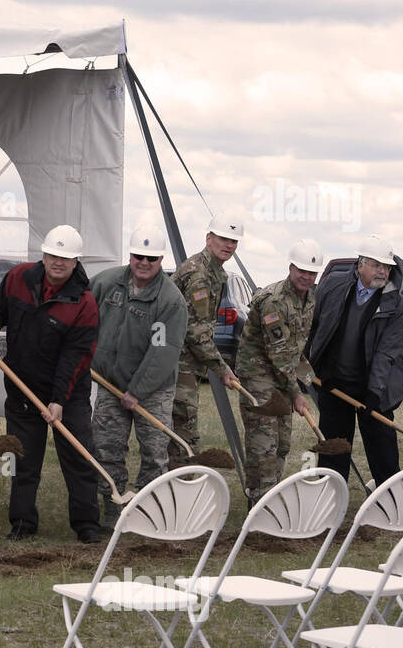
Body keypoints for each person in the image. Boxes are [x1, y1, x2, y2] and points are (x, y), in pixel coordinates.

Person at [0, 225, 101, 542]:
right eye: (53, 255)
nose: (58, 262)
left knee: (78, 457)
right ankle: (22, 522)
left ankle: (86, 524)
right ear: (44, 255)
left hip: (68, 394)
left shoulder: (83, 302)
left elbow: (76, 357)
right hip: (22, 388)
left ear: (76, 262)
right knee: (22, 458)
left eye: (66, 258)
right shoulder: (18, 277)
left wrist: (59, 399)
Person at [89, 226, 187, 527]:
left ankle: (147, 512)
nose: (144, 263)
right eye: (138, 256)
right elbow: (82, 316)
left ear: (160, 260)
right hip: (110, 384)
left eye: (151, 259)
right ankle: (113, 508)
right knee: (106, 447)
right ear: (130, 255)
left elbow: (163, 352)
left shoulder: (170, 301)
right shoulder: (106, 283)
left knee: (155, 451)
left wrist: (137, 391)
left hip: (152, 391)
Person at [305, 234, 403, 487]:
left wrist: (374, 393)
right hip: (333, 383)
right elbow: (313, 327)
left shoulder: (398, 304)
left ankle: (390, 500)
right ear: (360, 264)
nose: (382, 272)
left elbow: (388, 352)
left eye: (386, 267)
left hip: (374, 387)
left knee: (382, 449)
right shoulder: (333, 286)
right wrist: (310, 370)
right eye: (376, 265)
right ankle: (330, 498)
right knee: (334, 448)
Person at [236, 239, 322, 503]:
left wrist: (311, 378)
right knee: (264, 445)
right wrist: (297, 393)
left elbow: (296, 348)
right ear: (290, 268)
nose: (306, 277)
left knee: (282, 442)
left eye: (311, 273)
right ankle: (260, 503)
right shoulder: (273, 300)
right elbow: (279, 351)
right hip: (259, 377)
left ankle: (269, 495)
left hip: (284, 377)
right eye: (302, 271)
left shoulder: (309, 299)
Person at [169, 213, 243, 469]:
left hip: (185, 360)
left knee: (181, 428)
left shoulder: (214, 271)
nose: (229, 245)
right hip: (177, 361)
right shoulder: (199, 275)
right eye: (223, 239)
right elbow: (196, 331)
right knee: (184, 430)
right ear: (209, 238)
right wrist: (222, 368)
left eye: (234, 241)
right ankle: (181, 486)